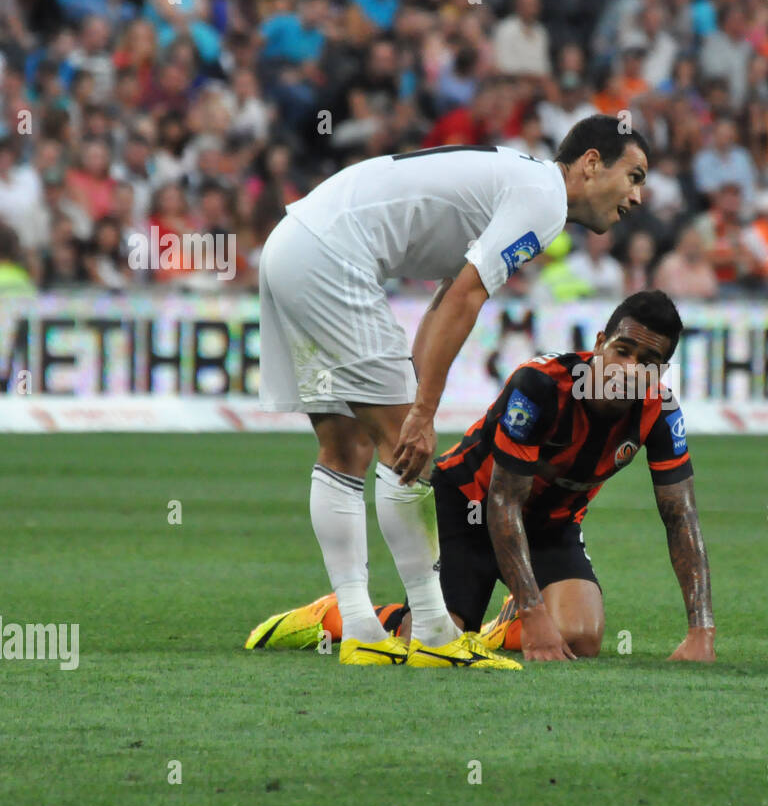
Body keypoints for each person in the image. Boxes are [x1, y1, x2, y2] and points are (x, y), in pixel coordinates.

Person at [254, 114, 650, 666]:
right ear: (589, 163)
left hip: (293, 245)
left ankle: (360, 628)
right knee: (405, 452)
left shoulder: (517, 182)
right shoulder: (544, 200)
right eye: (633, 175)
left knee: (347, 448)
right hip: (332, 259)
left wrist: (416, 395)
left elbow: (443, 302)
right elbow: (466, 298)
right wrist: (421, 410)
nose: (638, 196)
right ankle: (436, 638)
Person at [246, 291, 716, 664]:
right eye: (623, 350)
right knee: (426, 643)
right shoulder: (539, 386)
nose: (630, 368)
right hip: (469, 507)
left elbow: (681, 516)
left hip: (550, 527)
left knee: (581, 637)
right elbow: (503, 501)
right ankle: (333, 615)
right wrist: (533, 614)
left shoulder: (660, 411)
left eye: (648, 362)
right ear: (598, 343)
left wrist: (701, 631)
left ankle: (495, 626)